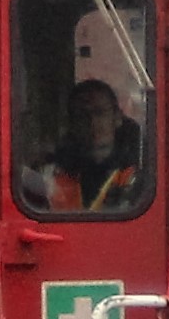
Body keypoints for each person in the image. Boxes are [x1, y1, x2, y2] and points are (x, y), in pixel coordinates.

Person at [30, 74, 145, 217]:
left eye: (100, 113)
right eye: (82, 115)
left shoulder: (139, 173)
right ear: (71, 123)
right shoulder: (49, 175)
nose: (92, 122)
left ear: (117, 118)